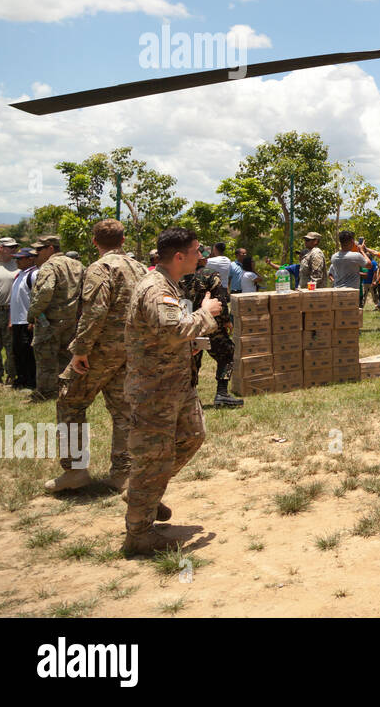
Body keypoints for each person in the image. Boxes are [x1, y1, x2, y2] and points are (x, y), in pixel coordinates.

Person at [121, 227, 223, 557]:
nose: (200, 256)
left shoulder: (170, 286)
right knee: (152, 458)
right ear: (179, 256)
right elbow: (173, 329)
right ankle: (139, 533)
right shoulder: (157, 289)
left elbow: (170, 335)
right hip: (155, 390)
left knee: (193, 435)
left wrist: (188, 346)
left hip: (175, 385)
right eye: (196, 251)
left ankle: (146, 491)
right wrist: (206, 314)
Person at [47, 218, 147, 494]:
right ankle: (122, 473)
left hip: (101, 350)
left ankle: (76, 470)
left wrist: (81, 349)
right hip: (131, 348)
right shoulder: (139, 268)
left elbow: (95, 311)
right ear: (123, 240)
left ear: (94, 242)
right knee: (124, 410)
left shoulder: (100, 268)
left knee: (70, 401)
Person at [181, 244, 243, 408]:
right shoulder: (210, 275)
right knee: (227, 352)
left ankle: (190, 398)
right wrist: (226, 321)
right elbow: (220, 300)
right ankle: (222, 394)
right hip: (210, 326)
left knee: (191, 363)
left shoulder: (178, 276)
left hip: (188, 326)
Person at [27, 236, 83, 401]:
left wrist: (33, 314)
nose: (36, 253)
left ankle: (45, 393)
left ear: (51, 248)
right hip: (70, 320)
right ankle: (65, 391)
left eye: (39, 250)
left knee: (46, 359)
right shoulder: (77, 265)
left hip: (49, 321)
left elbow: (45, 291)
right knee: (65, 358)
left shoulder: (50, 266)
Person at [0, 238, 19, 383]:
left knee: (12, 346)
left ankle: (12, 376)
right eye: (10, 247)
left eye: (15, 247)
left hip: (12, 312)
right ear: (1, 248)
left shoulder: (19, 266)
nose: (14, 250)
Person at [9, 247, 39, 390]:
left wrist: (34, 319)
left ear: (30, 259)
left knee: (28, 353)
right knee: (18, 352)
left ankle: (31, 381)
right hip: (16, 321)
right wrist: (11, 320)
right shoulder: (19, 275)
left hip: (26, 322)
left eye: (20, 258)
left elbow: (38, 299)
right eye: (16, 258)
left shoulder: (33, 275)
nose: (17, 261)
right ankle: (21, 379)